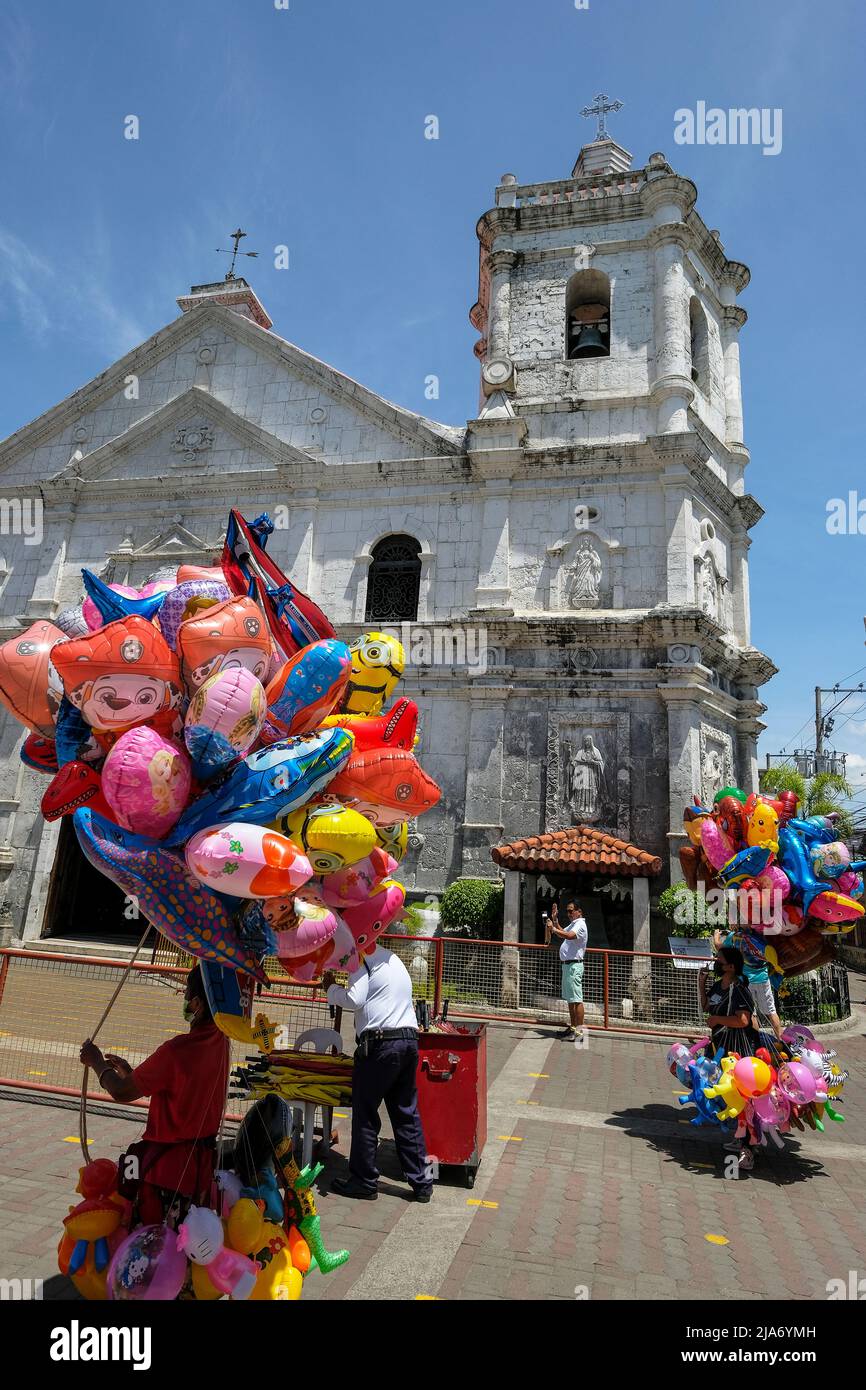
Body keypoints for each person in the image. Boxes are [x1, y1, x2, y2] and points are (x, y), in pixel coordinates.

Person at [79, 964, 229, 1225]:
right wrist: (131, 1073)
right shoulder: (221, 1041)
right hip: (200, 1172)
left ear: (197, 1002)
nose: (183, 1000)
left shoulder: (177, 1051)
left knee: (156, 1248)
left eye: (186, 994)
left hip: (166, 1175)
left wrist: (97, 1063)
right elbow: (182, 1090)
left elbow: (121, 1092)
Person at [321, 945, 431, 1203]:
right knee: (406, 1114)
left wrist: (331, 989)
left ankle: (363, 1180)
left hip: (380, 1046)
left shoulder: (359, 959)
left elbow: (354, 999)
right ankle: (422, 1183)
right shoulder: (393, 958)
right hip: (407, 1041)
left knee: (366, 1113)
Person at [699, 944, 760, 1172]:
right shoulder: (718, 986)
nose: (716, 962)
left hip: (736, 1049)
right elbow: (707, 1007)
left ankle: (748, 1150)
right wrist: (701, 982)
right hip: (719, 1048)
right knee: (726, 1095)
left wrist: (717, 1021)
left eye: (720, 960)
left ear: (731, 967)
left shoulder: (739, 990)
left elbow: (743, 1021)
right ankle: (739, 1136)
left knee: (741, 1096)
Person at [713, 927, 782, 1041]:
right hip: (763, 979)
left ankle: (755, 1043)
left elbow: (719, 947)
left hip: (745, 981)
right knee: (771, 1011)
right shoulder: (762, 936)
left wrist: (716, 936)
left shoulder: (734, 937)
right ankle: (781, 1041)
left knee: (751, 1014)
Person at [548, 900, 588, 1040]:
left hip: (574, 966)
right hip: (568, 965)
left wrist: (553, 929)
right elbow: (563, 932)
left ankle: (579, 1033)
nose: (569, 914)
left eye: (571, 911)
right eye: (567, 911)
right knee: (571, 999)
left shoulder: (580, 924)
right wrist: (555, 920)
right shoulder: (574, 924)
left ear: (579, 911)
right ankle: (572, 1028)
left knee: (577, 999)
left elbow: (569, 936)